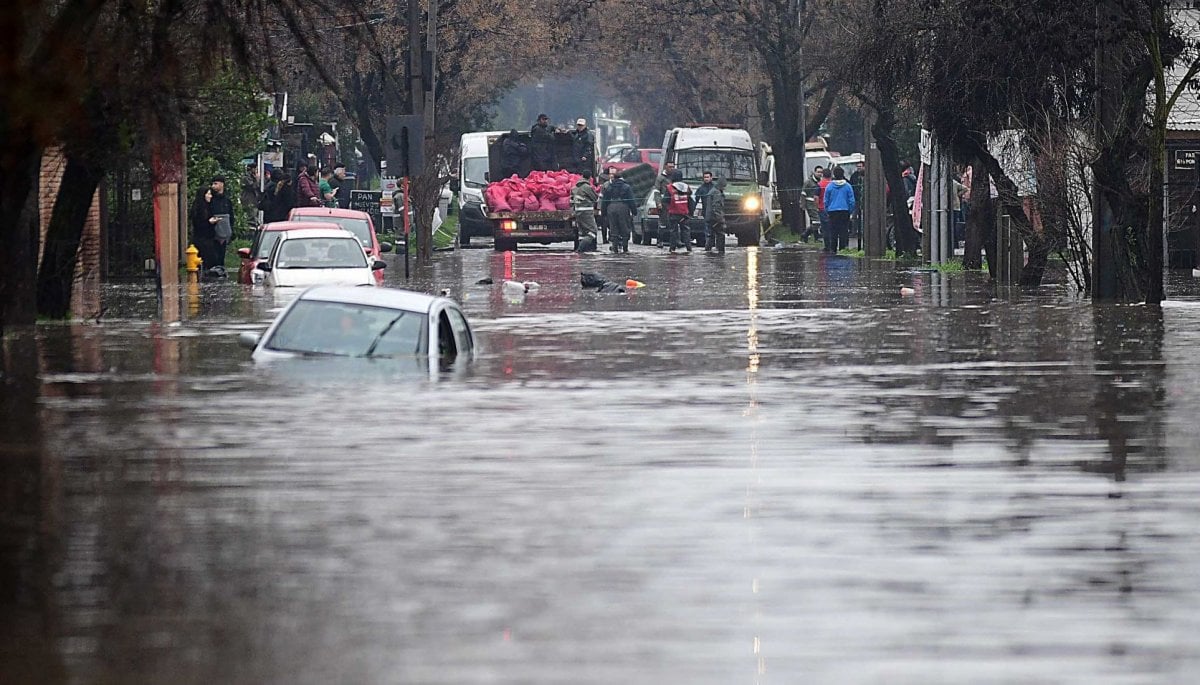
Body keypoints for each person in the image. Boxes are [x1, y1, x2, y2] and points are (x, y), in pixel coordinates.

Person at [823, 165, 856, 253]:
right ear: (843, 174)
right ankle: (843, 249)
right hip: (844, 211)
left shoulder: (829, 186)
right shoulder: (848, 186)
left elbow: (826, 200)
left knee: (833, 231)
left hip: (832, 211)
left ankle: (833, 249)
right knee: (843, 231)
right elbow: (852, 200)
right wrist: (850, 210)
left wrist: (827, 210)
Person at [602, 172, 638, 253]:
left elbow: (604, 201)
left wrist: (604, 212)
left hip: (611, 207)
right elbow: (631, 200)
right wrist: (634, 211)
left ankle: (615, 248)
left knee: (613, 227)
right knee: (625, 227)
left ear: (614, 178)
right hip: (623, 207)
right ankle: (625, 248)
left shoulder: (609, 187)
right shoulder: (626, 187)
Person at [665, 171, 694, 254]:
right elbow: (690, 201)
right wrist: (690, 213)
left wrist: (667, 210)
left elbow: (665, 200)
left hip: (673, 213)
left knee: (673, 231)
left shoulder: (669, 187)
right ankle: (689, 248)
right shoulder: (687, 187)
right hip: (684, 213)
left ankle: (672, 249)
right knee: (686, 231)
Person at [571, 177, 599, 251]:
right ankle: (580, 249)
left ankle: (583, 250)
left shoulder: (574, 188)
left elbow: (571, 201)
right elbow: (595, 198)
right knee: (593, 232)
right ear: (589, 178)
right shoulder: (587, 187)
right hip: (586, 212)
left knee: (582, 233)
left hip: (577, 212)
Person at [704, 177, 727, 255]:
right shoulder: (717, 193)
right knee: (720, 234)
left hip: (709, 217)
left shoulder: (712, 191)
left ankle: (708, 252)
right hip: (715, 218)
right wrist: (720, 219)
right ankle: (720, 251)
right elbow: (716, 207)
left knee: (710, 235)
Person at [693, 171, 715, 250]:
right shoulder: (701, 188)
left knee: (715, 228)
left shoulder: (715, 188)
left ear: (711, 178)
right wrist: (692, 210)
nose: (706, 179)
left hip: (715, 212)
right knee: (707, 228)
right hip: (706, 211)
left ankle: (713, 244)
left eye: (707, 177)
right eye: (705, 177)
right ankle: (708, 245)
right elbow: (695, 200)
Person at [803, 166, 825, 242]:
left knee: (815, 221)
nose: (820, 174)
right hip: (810, 204)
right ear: (814, 172)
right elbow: (803, 193)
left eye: (821, 172)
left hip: (819, 204)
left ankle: (816, 238)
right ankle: (805, 234)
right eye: (818, 172)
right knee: (817, 221)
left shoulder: (821, 182)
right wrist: (803, 205)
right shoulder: (808, 182)